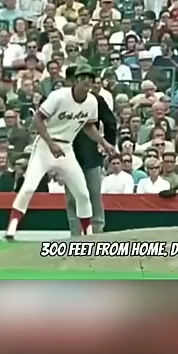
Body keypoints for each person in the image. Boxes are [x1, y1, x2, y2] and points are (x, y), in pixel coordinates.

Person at [4, 64, 116, 240]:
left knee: (82, 193)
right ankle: (12, 228)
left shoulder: (92, 101)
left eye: (90, 78)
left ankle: (88, 234)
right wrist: (50, 143)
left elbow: (88, 127)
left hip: (66, 148)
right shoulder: (59, 96)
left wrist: (104, 142)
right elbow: (38, 119)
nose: (87, 81)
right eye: (83, 77)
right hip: (44, 146)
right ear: (75, 80)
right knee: (29, 187)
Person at [63, 65, 118, 236]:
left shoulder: (95, 100)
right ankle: (77, 234)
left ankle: (96, 232)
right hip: (68, 152)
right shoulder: (61, 100)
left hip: (89, 152)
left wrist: (107, 144)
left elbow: (110, 122)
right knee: (74, 197)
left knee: (92, 194)